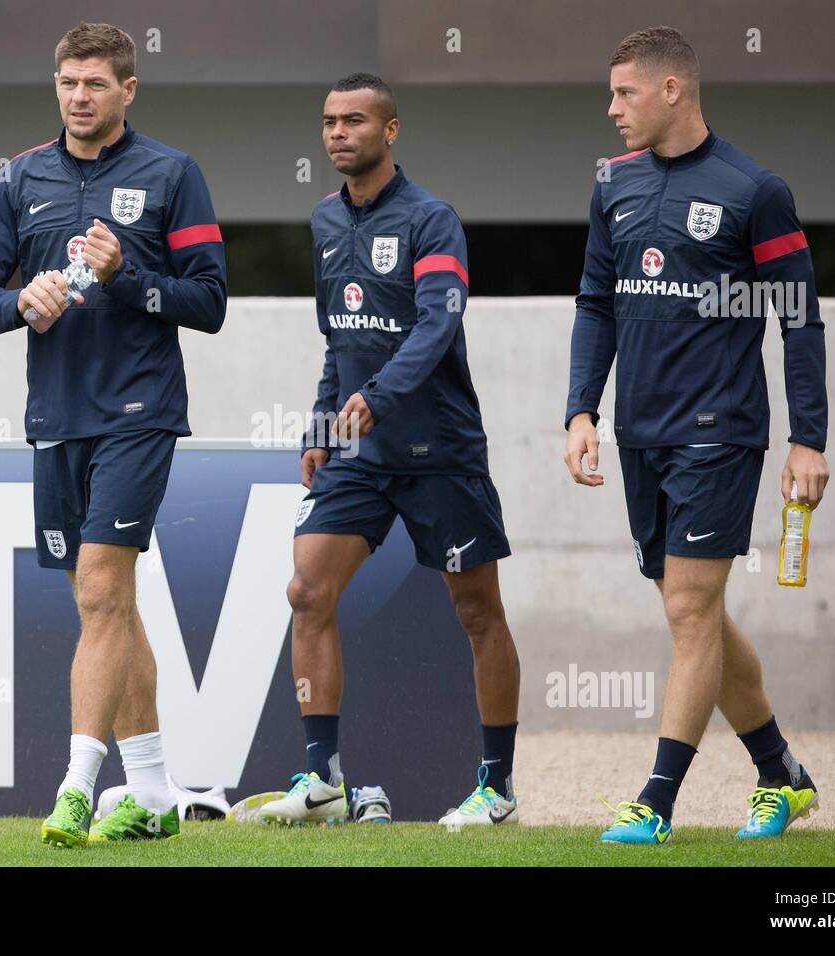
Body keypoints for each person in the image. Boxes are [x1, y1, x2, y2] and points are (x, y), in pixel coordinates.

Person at [0, 22, 227, 846]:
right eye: (69, 82)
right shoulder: (20, 178)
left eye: (96, 84)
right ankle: (150, 791)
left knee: (104, 590)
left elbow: (209, 302)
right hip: (55, 418)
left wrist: (128, 277)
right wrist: (19, 305)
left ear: (128, 90)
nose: (80, 96)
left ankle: (78, 787)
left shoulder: (173, 174)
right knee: (106, 602)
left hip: (140, 413)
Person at [563, 26, 829, 844]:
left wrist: (808, 437)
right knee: (697, 615)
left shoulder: (756, 190)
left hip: (721, 431)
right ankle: (781, 774)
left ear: (672, 89)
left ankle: (655, 801)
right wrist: (581, 412)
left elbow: (799, 320)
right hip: (641, 433)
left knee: (687, 608)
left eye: (625, 93)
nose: (612, 109)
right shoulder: (615, 186)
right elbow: (595, 303)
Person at [260, 73, 521, 829]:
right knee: (308, 591)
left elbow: (436, 326)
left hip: (440, 450)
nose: (338, 133)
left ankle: (497, 788)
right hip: (357, 452)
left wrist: (374, 399)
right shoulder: (322, 221)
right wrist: (322, 423)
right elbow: (337, 343)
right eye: (329, 122)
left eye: (354, 120)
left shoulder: (432, 221)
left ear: (391, 130)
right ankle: (323, 781)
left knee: (478, 612)